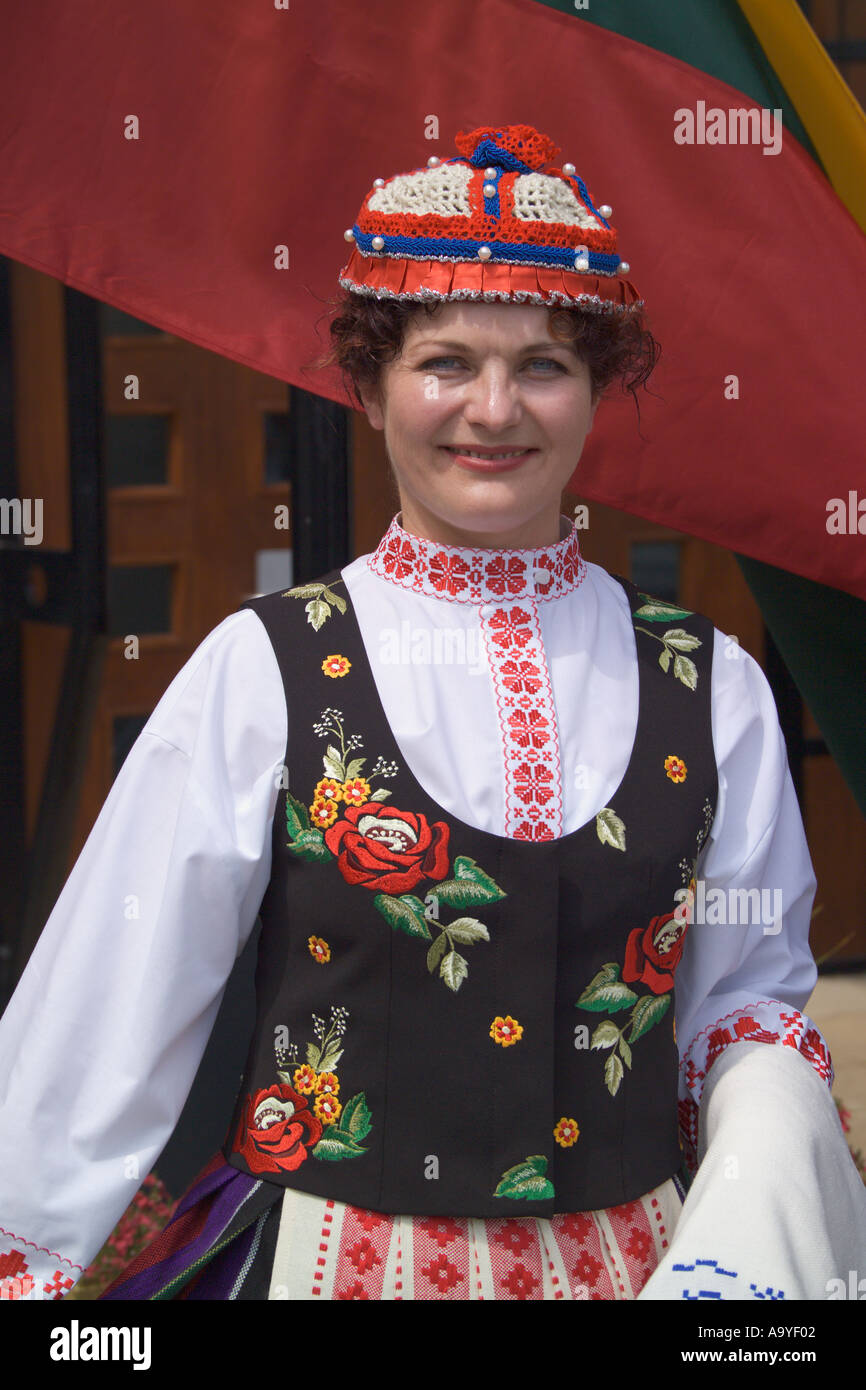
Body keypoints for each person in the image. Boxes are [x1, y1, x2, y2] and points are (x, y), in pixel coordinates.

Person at [1, 123, 863, 1303]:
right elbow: (114, 993)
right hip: (331, 1269)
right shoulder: (262, 666)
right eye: (444, 361)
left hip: (638, 1269)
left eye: (546, 366)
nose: (493, 410)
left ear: (599, 390)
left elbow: (739, 1011)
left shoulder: (708, 683)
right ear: (367, 385)